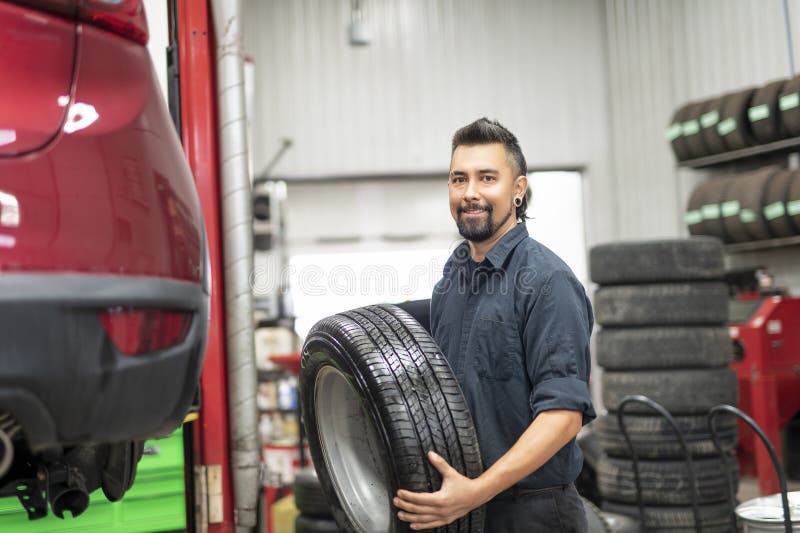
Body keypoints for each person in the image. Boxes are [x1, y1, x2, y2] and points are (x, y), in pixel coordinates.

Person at [394, 118, 595, 532]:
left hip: (532, 514)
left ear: (517, 190)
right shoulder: (454, 278)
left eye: (487, 178)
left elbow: (563, 414)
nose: (470, 193)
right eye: (458, 179)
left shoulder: (547, 281)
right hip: (465, 507)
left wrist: (477, 490)